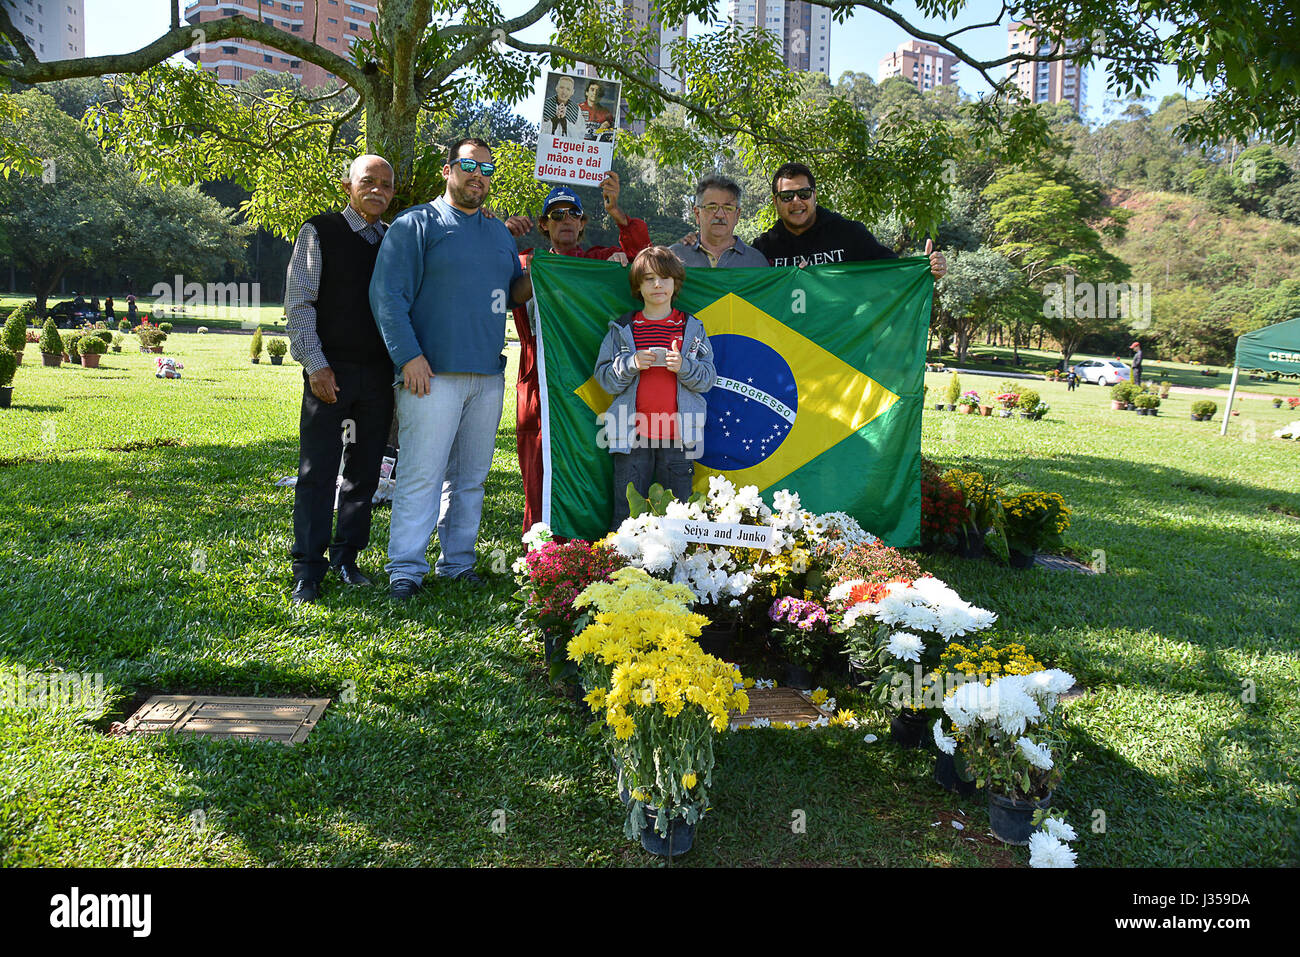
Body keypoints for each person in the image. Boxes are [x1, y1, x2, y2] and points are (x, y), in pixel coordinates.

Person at [370, 137, 532, 600]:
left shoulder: (499, 233)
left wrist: (535, 275)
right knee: (422, 473)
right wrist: (408, 357)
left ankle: (458, 563)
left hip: (485, 374)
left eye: (485, 168)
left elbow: (511, 293)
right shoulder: (415, 223)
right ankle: (405, 568)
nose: (477, 174)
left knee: (470, 478)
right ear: (448, 171)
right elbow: (387, 298)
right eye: (468, 165)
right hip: (430, 374)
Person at [508, 176, 651, 532]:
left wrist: (618, 218)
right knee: (539, 462)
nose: (565, 220)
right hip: (539, 383)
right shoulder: (529, 261)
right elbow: (505, 293)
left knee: (595, 457)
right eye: (556, 215)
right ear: (543, 224)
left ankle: (595, 538)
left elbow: (644, 262)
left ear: (583, 222)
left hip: (592, 381)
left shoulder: (597, 260)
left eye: (573, 213)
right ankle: (540, 546)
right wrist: (509, 243)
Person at [285, 153, 397, 605]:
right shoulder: (321, 231)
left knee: (365, 474)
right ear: (349, 186)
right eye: (368, 181)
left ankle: (347, 559)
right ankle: (307, 571)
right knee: (317, 472)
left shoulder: (393, 241)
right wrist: (316, 365)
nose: (377, 190)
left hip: (378, 376)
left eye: (386, 185)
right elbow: (299, 304)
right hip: (328, 374)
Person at [594, 246, 716, 530]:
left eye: (664, 278)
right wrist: (631, 362)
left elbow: (708, 378)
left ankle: (676, 572)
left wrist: (684, 366)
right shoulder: (624, 327)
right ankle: (621, 569)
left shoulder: (692, 328)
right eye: (648, 279)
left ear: (676, 283)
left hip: (679, 437)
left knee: (678, 515)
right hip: (631, 436)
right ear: (638, 285)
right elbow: (605, 378)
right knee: (626, 514)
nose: (657, 285)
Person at [750, 162, 948, 278]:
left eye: (803, 193)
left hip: (841, 346)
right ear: (775, 202)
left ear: (814, 195)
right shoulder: (763, 249)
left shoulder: (850, 234)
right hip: (783, 347)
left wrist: (925, 270)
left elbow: (892, 273)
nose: (796, 202)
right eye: (787, 196)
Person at [669, 175, 770, 268]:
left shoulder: (757, 262)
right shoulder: (673, 258)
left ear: (737, 215)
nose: (720, 215)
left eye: (728, 208)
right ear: (697, 214)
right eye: (712, 207)